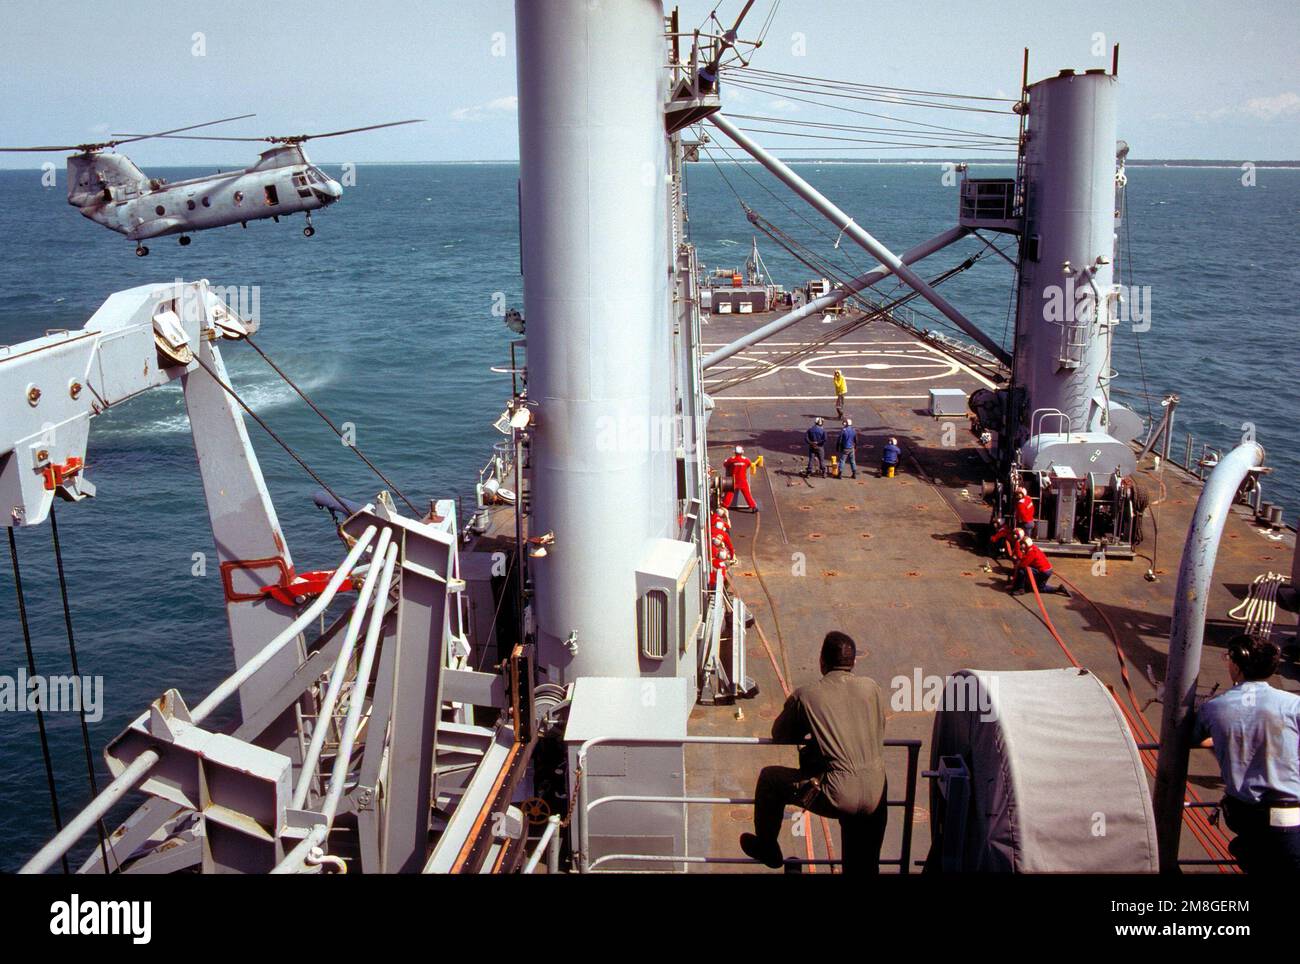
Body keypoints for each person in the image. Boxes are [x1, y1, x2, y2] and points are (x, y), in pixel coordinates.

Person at [741, 632, 888, 873]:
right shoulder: (872, 688)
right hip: (877, 792)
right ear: (853, 662)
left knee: (770, 779)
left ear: (822, 661)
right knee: (864, 867)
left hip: (838, 793)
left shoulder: (807, 695)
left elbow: (781, 735)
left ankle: (767, 847)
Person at [1195, 635, 1300, 873]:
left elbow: (1192, 737)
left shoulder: (1214, 707)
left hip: (1246, 816)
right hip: (1290, 816)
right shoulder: (1293, 705)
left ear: (1236, 663)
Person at [722, 445, 759, 512]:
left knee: (729, 493)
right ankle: (753, 506)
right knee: (747, 494)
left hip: (733, 480)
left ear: (735, 452)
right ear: (742, 452)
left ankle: (724, 506)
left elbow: (725, 464)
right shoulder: (746, 460)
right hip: (743, 480)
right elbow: (749, 464)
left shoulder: (731, 460)